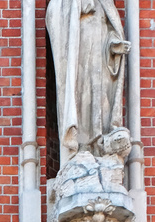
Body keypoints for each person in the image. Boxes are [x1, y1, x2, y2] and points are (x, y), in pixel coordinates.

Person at [46, 0, 130, 164]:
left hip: (100, 67)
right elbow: (54, 18)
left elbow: (110, 32)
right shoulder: (67, 3)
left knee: (101, 104)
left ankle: (101, 149)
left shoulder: (104, 3)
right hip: (79, 61)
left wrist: (114, 46)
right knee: (81, 104)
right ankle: (81, 150)